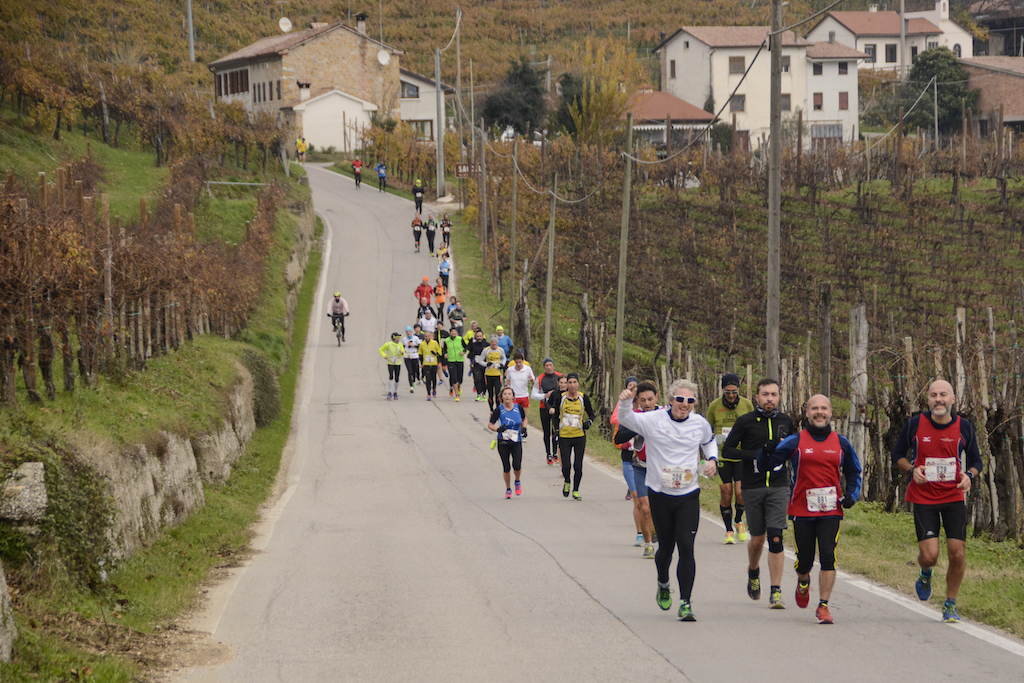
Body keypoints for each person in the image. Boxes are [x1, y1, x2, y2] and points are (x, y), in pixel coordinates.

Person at [617, 379, 718, 621]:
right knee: (666, 549)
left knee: (686, 546)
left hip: (688, 494)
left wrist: (713, 459)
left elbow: (709, 440)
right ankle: (663, 581)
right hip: (660, 494)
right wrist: (625, 401)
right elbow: (627, 420)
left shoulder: (699, 423)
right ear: (671, 400)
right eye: (680, 400)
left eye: (690, 401)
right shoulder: (655, 420)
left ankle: (686, 602)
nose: (685, 404)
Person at [759, 394, 862, 624]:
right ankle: (803, 581)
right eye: (815, 408)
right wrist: (765, 451)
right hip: (801, 511)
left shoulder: (841, 442)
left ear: (830, 413)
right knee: (804, 560)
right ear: (807, 412)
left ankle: (823, 606)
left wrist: (851, 496)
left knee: (828, 555)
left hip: (831, 510)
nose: (819, 412)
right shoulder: (795, 441)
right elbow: (766, 466)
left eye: (824, 408)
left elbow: (854, 471)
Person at [891, 379, 983, 624]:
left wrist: (969, 476)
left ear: (953, 399)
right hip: (924, 497)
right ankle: (925, 572)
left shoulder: (964, 427)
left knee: (957, 553)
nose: (938, 399)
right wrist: (912, 470)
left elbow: (976, 462)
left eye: (943, 395)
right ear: (928, 399)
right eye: (933, 395)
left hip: (953, 496)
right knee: (930, 555)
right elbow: (897, 455)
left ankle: (950, 603)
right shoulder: (915, 424)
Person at [723, 378, 795, 609]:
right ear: (757, 397)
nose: (769, 399)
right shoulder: (745, 421)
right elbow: (728, 449)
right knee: (757, 539)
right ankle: (753, 570)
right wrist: (756, 455)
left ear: (779, 397)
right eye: (765, 394)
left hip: (778, 486)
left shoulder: (786, 421)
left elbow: (795, 450)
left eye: (774, 394)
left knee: (776, 537)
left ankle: (776, 591)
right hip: (752, 486)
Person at [707, 373, 755, 544]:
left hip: (741, 455)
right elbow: (708, 430)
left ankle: (739, 520)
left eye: (734, 391)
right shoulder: (714, 406)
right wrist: (715, 439)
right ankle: (728, 530)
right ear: (723, 391)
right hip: (723, 455)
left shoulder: (747, 405)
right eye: (728, 392)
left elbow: (753, 426)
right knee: (726, 493)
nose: (731, 395)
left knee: (740, 493)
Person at [613, 380, 659, 559]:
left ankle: (658, 530)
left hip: (661, 469)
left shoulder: (665, 414)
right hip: (640, 466)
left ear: (656, 398)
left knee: (659, 507)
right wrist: (638, 427)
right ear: (637, 401)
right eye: (642, 400)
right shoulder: (634, 416)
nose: (647, 403)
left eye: (650, 399)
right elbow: (618, 438)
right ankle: (648, 545)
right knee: (644, 507)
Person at [549, 373, 595, 500]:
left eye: (575, 382)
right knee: (566, 465)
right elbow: (555, 416)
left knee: (578, 465)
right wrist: (557, 430)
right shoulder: (561, 398)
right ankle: (567, 481)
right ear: (566, 384)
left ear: (578, 384)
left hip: (579, 436)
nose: (572, 385)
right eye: (570, 382)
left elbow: (592, 414)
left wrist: (588, 423)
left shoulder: (583, 398)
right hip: (564, 436)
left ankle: (576, 490)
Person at [611, 377, 643, 540]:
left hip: (647, 462)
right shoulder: (625, 413)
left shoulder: (650, 415)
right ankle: (639, 533)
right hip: (628, 460)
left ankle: (649, 529)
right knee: (637, 498)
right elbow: (616, 436)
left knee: (648, 503)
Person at [489, 386, 529, 499]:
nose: (507, 396)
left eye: (509, 394)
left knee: (517, 465)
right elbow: (490, 424)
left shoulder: (518, 408)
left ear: (513, 397)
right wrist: (497, 429)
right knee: (506, 467)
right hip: (503, 441)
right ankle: (508, 488)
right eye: (505, 394)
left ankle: (517, 481)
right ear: (501, 397)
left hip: (516, 440)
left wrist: (524, 428)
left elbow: (524, 419)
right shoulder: (499, 410)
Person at [532, 358, 562, 465]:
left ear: (553, 365)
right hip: (544, 408)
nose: (549, 367)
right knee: (546, 432)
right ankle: (548, 454)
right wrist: (544, 395)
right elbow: (533, 395)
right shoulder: (540, 379)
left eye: (550, 365)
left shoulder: (559, 376)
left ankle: (555, 453)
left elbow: (564, 389)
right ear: (544, 367)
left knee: (556, 431)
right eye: (546, 365)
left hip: (557, 408)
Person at [476, 336, 507, 410]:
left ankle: (498, 409)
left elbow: (504, 358)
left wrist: (502, 364)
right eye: (492, 342)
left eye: (495, 341)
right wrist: (486, 364)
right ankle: (491, 410)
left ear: (497, 342)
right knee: (490, 393)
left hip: (497, 374)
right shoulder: (486, 350)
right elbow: (480, 360)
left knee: (498, 393)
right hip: (488, 374)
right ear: (490, 343)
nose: (493, 343)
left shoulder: (500, 350)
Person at [444, 323, 467, 400]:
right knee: (454, 377)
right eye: (452, 332)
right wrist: (445, 354)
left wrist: (463, 352)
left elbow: (466, 347)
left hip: (459, 360)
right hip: (451, 360)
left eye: (455, 332)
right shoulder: (447, 340)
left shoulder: (460, 339)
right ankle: (457, 395)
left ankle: (459, 386)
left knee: (460, 378)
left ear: (457, 333)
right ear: (450, 333)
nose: (454, 333)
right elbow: (444, 349)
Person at [379, 332, 404, 400]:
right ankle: (390, 391)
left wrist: (402, 352)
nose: (399, 338)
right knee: (391, 376)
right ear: (394, 338)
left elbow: (403, 353)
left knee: (397, 378)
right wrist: (384, 356)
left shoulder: (400, 344)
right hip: (390, 362)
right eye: (398, 337)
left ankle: (395, 392)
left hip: (398, 362)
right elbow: (381, 350)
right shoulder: (388, 344)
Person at [418, 331, 442, 400]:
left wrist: (435, 353)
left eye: (428, 336)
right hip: (426, 363)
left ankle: (434, 389)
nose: (427, 337)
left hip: (433, 363)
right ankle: (428, 393)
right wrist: (420, 356)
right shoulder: (422, 344)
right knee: (428, 379)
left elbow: (439, 351)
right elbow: (419, 352)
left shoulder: (434, 343)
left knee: (433, 378)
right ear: (424, 337)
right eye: (426, 336)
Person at [466, 329, 489, 402]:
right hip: (476, 364)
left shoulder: (486, 344)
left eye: (480, 336)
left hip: (485, 365)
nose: (479, 337)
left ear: (482, 336)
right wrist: (473, 355)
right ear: (475, 337)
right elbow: (469, 355)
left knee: (483, 380)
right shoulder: (473, 345)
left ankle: (484, 394)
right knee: (477, 378)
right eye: (478, 336)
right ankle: (479, 394)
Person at [401, 326, 421, 393]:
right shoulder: (404, 339)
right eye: (407, 332)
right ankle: (411, 386)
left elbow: (420, 346)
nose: (408, 333)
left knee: (414, 370)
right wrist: (402, 351)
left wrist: (414, 345)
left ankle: (414, 381)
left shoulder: (415, 338)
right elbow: (403, 346)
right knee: (409, 371)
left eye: (409, 331)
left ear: (411, 332)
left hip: (414, 355)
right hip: (407, 355)